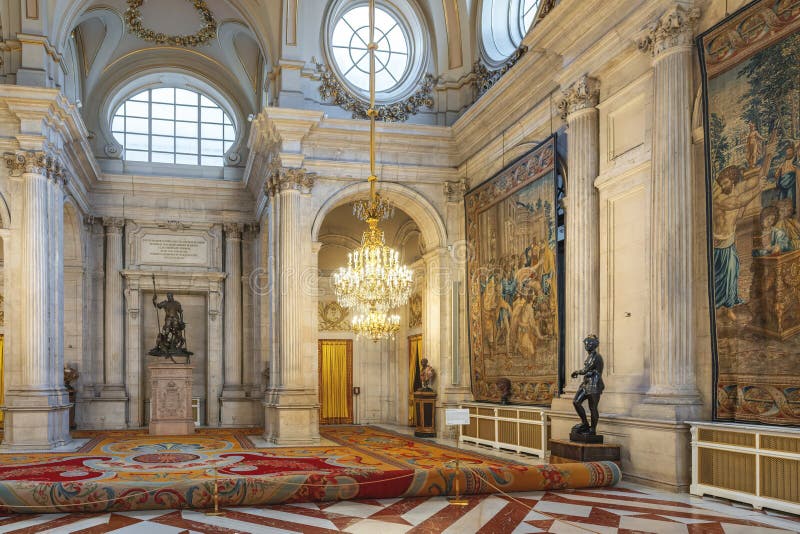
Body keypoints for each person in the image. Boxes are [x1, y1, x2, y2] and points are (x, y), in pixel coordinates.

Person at [712, 165, 769, 321]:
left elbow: (753, 182)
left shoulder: (737, 190)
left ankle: (728, 305)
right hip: (719, 242)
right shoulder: (720, 199)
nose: (723, 186)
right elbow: (736, 202)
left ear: (733, 181)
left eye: (726, 182)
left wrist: (767, 161)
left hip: (730, 239)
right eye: (721, 184)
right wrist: (758, 189)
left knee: (732, 271)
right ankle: (718, 306)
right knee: (721, 275)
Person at [570, 335, 604, 437]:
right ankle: (585, 423)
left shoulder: (596, 356)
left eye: (589, 344)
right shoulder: (590, 356)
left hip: (594, 385)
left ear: (594, 345)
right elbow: (587, 370)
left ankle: (593, 429)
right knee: (576, 402)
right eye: (586, 343)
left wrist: (576, 372)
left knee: (593, 408)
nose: (586, 345)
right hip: (586, 384)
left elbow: (586, 370)